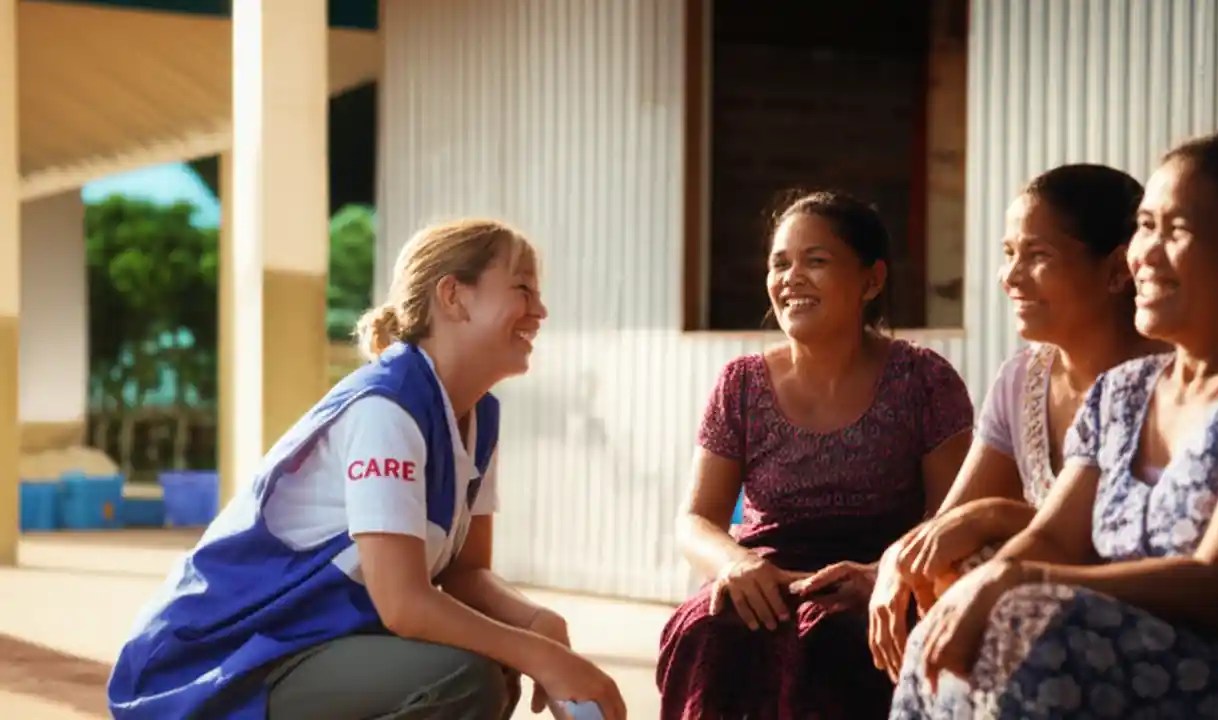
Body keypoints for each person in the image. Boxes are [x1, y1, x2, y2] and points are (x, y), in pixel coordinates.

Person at [107, 219, 626, 720]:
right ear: (454, 296)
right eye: (523, 289)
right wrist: (541, 657)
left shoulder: (475, 415)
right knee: (462, 678)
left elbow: (465, 574)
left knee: (494, 663)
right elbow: (403, 604)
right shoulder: (387, 409)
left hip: (301, 645)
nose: (540, 310)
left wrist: (538, 625)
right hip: (214, 664)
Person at [890, 129, 1218, 719]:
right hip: (1101, 646)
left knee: (1042, 628)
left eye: (1176, 231)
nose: (1146, 254)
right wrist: (988, 582)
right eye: (1145, 226)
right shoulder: (1121, 393)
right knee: (960, 605)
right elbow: (1052, 538)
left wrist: (1019, 580)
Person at [804, 164, 1162, 681]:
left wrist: (995, 517)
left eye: (1037, 256)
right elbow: (952, 520)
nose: (1011, 277)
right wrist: (887, 566)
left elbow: (1123, 539)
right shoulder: (1023, 379)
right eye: (1009, 253)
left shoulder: (1167, 380)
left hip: (1133, 618)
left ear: (1117, 269)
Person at [656, 191, 974, 719]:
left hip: (883, 576)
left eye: (816, 261)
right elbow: (696, 520)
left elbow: (953, 517)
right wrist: (736, 564)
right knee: (709, 631)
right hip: (766, 578)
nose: (791, 278)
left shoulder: (925, 380)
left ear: (872, 280)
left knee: (836, 642)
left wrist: (883, 572)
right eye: (780, 263)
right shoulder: (741, 384)